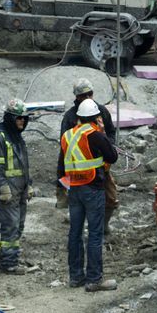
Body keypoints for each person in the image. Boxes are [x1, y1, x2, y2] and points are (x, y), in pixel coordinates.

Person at [59, 98, 119, 291]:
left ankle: (76, 277)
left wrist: (64, 188)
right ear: (96, 118)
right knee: (94, 233)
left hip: (74, 190)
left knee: (75, 233)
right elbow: (113, 157)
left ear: (78, 118)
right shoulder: (96, 135)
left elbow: (61, 168)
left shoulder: (67, 136)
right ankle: (94, 279)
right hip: (93, 189)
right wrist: (102, 132)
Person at [59, 78, 120, 234]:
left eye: (89, 94)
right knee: (81, 203)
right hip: (78, 171)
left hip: (100, 166)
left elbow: (111, 133)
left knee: (111, 198)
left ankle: (103, 226)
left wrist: (107, 146)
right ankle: (87, 228)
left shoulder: (100, 111)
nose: (87, 98)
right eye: (83, 95)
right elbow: (64, 146)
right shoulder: (70, 117)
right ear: (76, 97)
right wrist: (61, 178)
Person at [0, 98, 31, 274]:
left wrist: (29, 185)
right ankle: (8, 263)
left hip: (19, 189)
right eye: (18, 118)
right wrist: (3, 188)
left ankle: (12, 255)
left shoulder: (17, 138)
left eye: (24, 118)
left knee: (18, 225)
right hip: (8, 191)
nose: (22, 121)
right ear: (9, 118)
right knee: (10, 225)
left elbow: (23, 165)